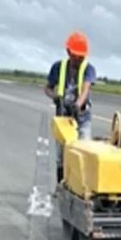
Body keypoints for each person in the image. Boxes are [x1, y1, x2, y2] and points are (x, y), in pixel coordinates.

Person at [45, 31, 96, 182]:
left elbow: (86, 88)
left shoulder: (88, 68)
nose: (79, 60)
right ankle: (61, 186)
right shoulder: (58, 67)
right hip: (63, 118)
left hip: (82, 117)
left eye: (82, 57)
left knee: (84, 151)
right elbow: (47, 88)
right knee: (62, 155)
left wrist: (78, 104)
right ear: (68, 52)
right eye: (76, 56)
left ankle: (81, 188)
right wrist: (55, 97)